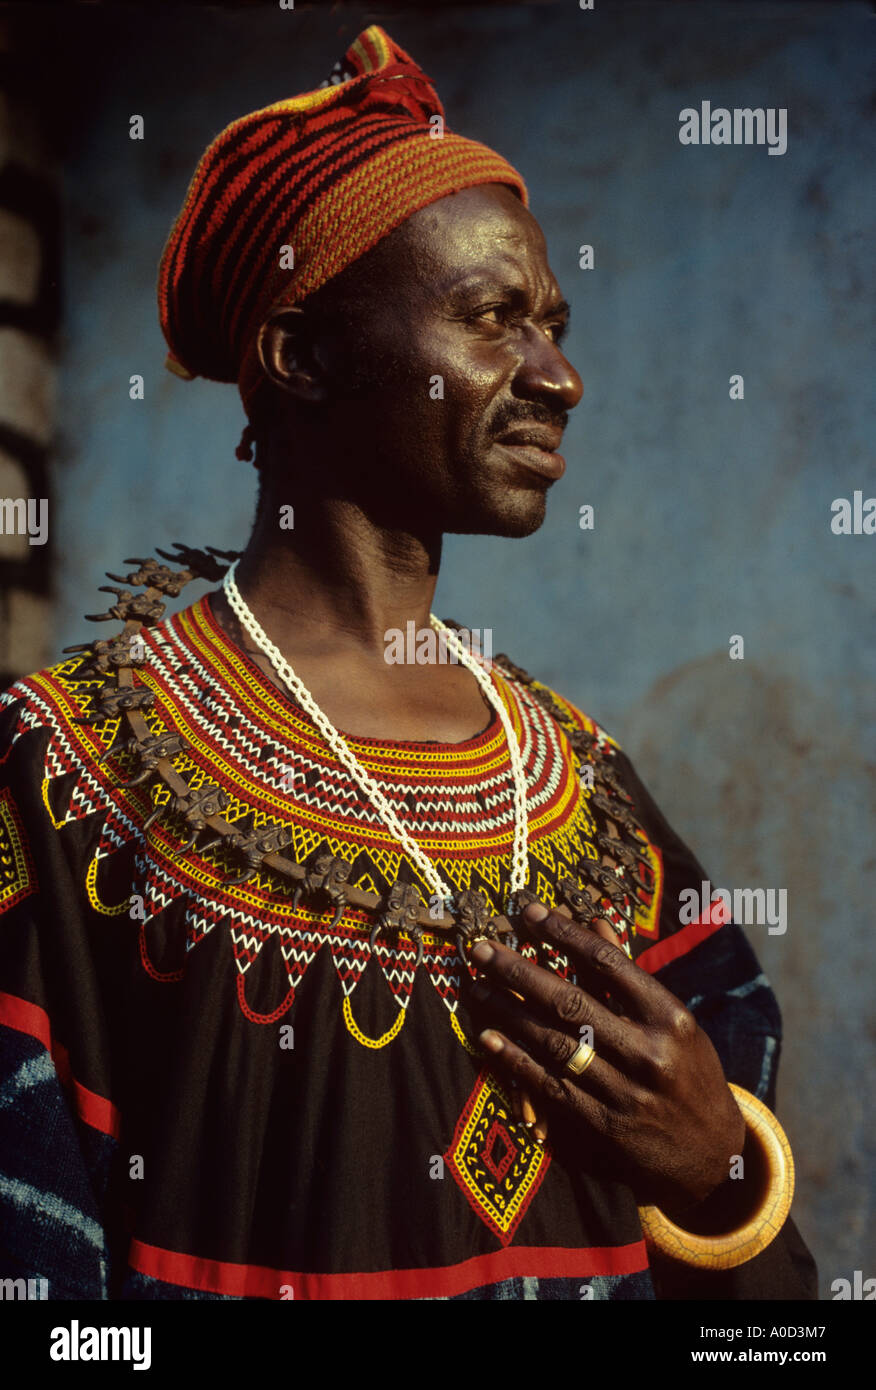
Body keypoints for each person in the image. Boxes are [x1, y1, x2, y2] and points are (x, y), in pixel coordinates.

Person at [0, 25, 816, 1300]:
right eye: (494, 319)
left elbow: (759, 1279)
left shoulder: (586, 784)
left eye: (552, 324)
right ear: (301, 355)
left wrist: (719, 1169)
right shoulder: (69, 774)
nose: (562, 376)